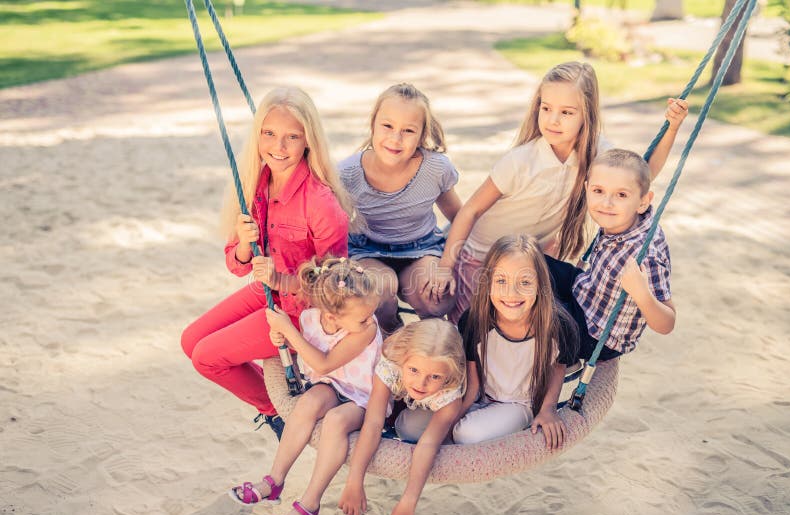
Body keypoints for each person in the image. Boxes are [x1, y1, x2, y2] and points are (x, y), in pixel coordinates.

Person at [434, 61, 688, 323]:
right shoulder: (521, 161)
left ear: (586, 114)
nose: (553, 120)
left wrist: (672, 128)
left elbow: (640, 175)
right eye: (546, 108)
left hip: (524, 262)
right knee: (468, 329)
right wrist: (445, 267)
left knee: (510, 328)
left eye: (566, 112)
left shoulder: (595, 153)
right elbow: (471, 210)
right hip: (481, 256)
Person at [180, 86, 350, 438]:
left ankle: (280, 412)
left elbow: (335, 287)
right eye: (269, 134)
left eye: (292, 137)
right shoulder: (255, 183)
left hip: (301, 312)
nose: (279, 147)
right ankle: (278, 409)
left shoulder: (320, 203)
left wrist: (283, 280)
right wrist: (244, 243)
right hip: (267, 291)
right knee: (190, 340)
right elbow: (237, 265)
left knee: (206, 357)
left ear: (308, 141)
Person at [228, 256, 382, 515]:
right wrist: (282, 337)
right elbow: (312, 358)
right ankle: (274, 480)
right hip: (331, 384)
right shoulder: (311, 318)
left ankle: (309, 505)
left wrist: (288, 329)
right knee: (308, 402)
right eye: (363, 316)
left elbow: (323, 362)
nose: (371, 320)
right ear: (332, 316)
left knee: (335, 421)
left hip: (363, 397)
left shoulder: (366, 331)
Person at [340, 83, 463, 334]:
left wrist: (446, 266)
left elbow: (459, 217)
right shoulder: (348, 173)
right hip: (368, 250)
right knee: (378, 289)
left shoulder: (435, 169)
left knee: (436, 295)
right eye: (387, 126)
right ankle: (392, 333)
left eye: (408, 130)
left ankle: (432, 342)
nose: (395, 138)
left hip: (420, 248)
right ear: (373, 123)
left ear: (421, 135)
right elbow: (330, 223)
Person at [338, 319, 466, 515]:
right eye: (414, 370)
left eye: (434, 376)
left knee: (410, 429)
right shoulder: (391, 363)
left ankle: (407, 412)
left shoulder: (450, 394)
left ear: (447, 376)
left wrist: (408, 502)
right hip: (399, 393)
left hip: (430, 408)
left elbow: (428, 445)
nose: (421, 383)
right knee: (390, 415)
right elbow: (373, 422)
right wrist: (354, 479)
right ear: (403, 360)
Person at [453, 234, 578, 449]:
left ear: (540, 284)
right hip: (479, 396)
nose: (512, 293)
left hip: (518, 404)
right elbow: (472, 384)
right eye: (501, 281)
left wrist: (548, 408)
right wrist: (452, 417)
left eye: (525, 282)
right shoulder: (475, 320)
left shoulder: (557, 326)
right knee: (409, 427)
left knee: (466, 435)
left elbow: (558, 368)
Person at [550, 148, 676, 362]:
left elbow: (667, 324)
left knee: (532, 312)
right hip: (586, 292)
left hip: (595, 336)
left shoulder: (646, 256)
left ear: (643, 201)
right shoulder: (621, 219)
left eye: (621, 195)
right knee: (530, 262)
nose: (606, 203)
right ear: (586, 189)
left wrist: (641, 294)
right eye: (598, 191)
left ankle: (560, 360)